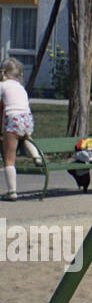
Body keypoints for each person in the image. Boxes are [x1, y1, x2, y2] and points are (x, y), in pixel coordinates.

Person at [0, 58, 34, 201]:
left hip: (12, 119)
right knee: (24, 136)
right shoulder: (21, 88)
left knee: (9, 159)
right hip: (27, 120)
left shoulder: (2, 85)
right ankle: (37, 156)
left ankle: (12, 191)